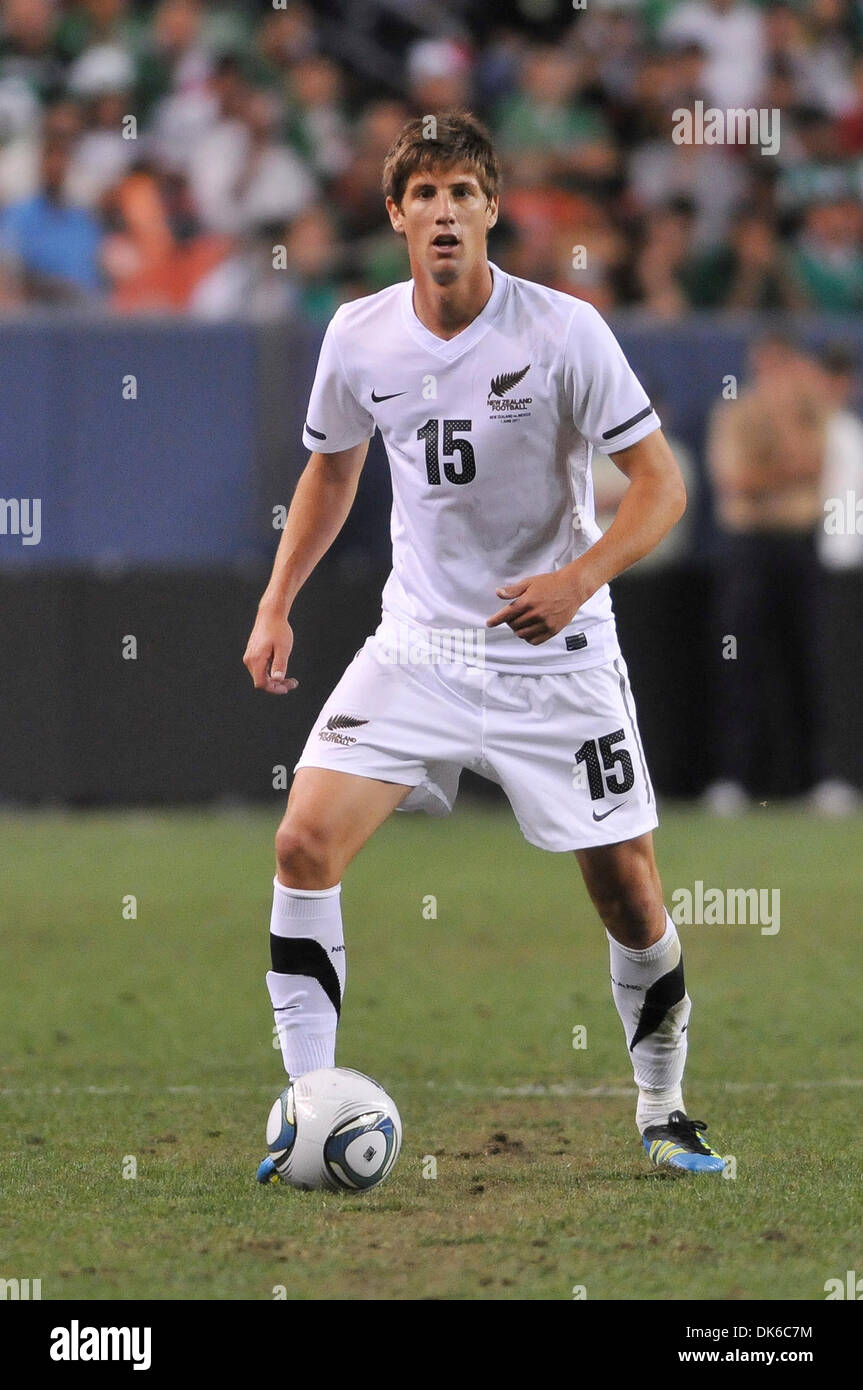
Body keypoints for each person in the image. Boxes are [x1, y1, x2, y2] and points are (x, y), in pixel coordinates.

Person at [243, 111, 725, 1181]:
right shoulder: (359, 335)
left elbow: (662, 486)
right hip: (417, 644)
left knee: (628, 894)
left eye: (464, 192)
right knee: (301, 844)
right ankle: (310, 1100)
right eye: (425, 195)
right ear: (397, 217)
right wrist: (278, 601)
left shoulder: (561, 331)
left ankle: (663, 1108)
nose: (445, 211)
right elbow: (331, 469)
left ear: (493, 210)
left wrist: (575, 579)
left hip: (554, 656)